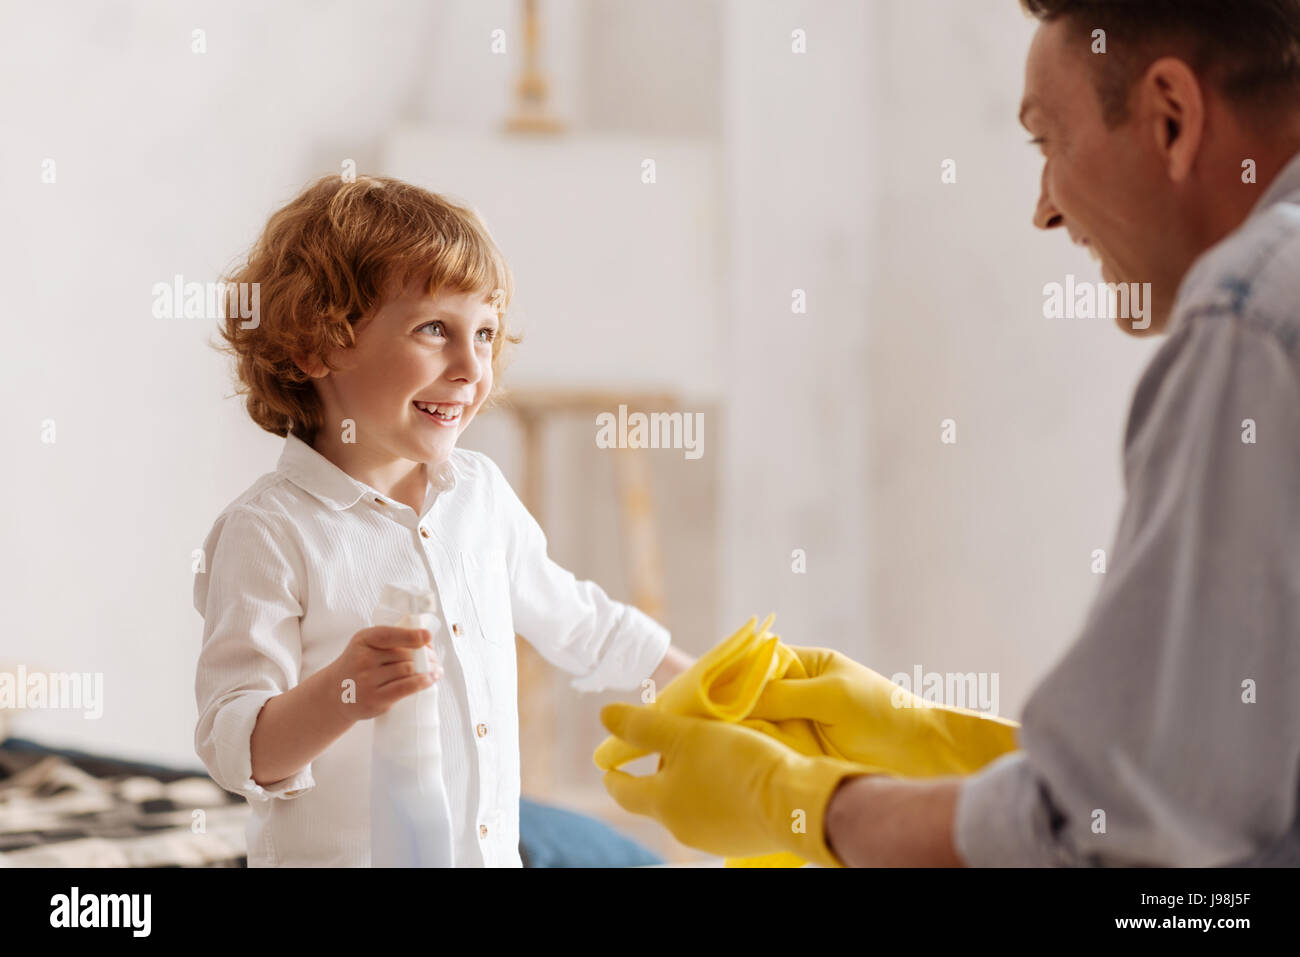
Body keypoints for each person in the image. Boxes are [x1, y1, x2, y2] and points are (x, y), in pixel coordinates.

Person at [600, 0, 1300, 867]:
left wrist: (804, 807)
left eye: (1047, 142)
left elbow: (1129, 856)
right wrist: (939, 739)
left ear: (1171, 117)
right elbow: (1218, 786)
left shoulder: (1252, 317)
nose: (1044, 210)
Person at [193, 174, 693, 867]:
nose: (470, 368)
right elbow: (235, 746)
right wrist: (346, 689)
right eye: (434, 328)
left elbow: (578, 620)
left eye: (484, 332)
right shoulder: (270, 531)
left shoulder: (479, 496)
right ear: (315, 345)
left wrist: (704, 682)